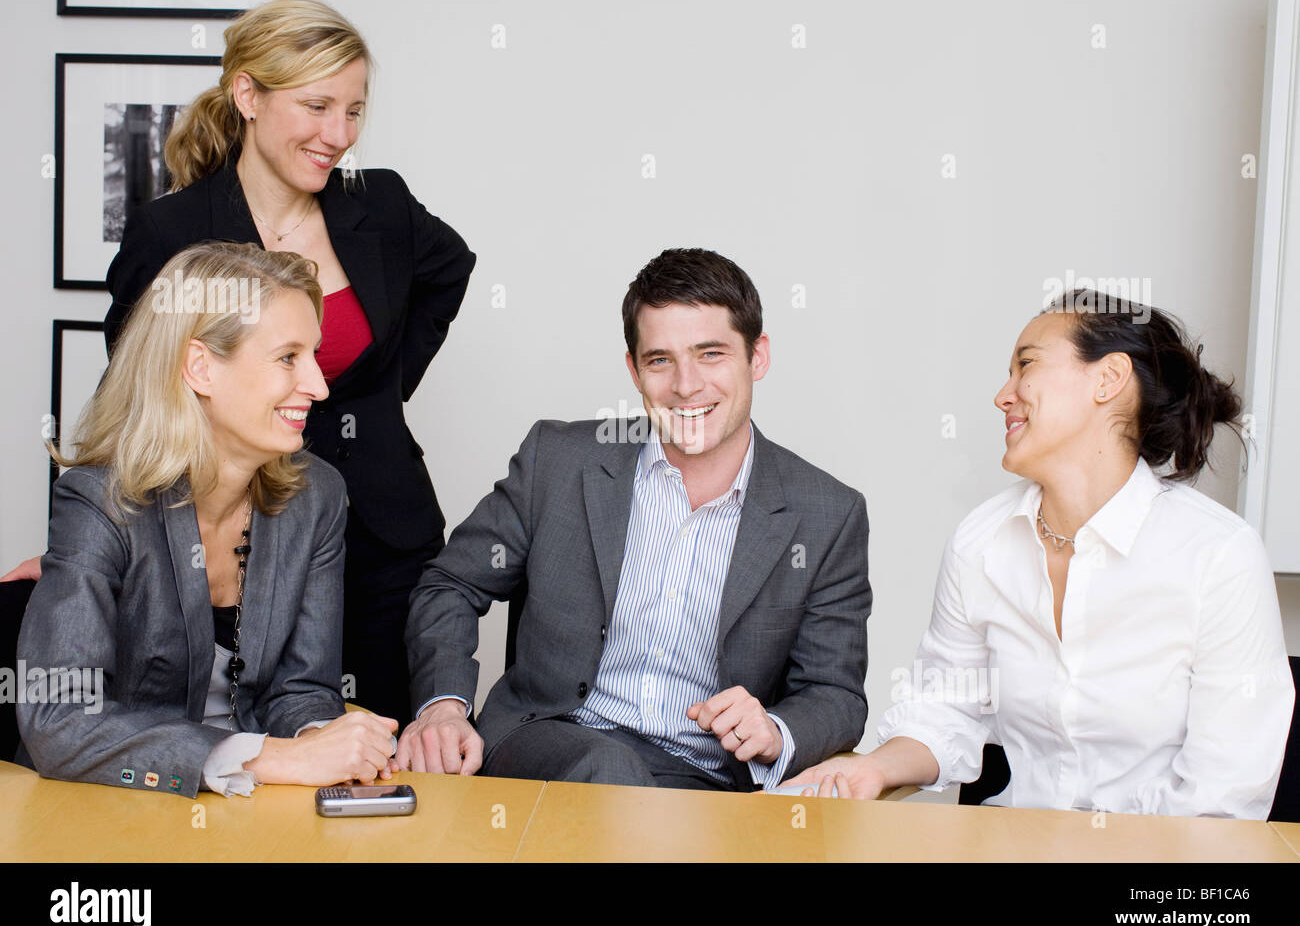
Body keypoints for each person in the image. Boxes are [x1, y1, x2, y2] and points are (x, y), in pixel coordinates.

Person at [96, 0, 476, 724]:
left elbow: (448, 270)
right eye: (317, 105)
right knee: (243, 748)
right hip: (230, 546)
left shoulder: (382, 203)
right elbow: (133, 393)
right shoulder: (170, 231)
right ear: (248, 95)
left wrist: (374, 390)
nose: (339, 135)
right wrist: (79, 557)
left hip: (380, 536)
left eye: (355, 110)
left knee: (377, 755)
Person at [783, 290, 1295, 818]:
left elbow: (1220, 800)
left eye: (1025, 365)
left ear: (1108, 379)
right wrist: (873, 768)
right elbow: (942, 712)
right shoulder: (980, 540)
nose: (1003, 396)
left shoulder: (1218, 555)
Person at [393, 248, 871, 791]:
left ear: (757, 357)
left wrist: (777, 730)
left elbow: (835, 694)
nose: (687, 386)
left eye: (710, 354)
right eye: (660, 360)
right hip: (551, 741)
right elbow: (450, 583)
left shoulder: (827, 514)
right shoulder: (560, 460)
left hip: (701, 778)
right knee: (611, 770)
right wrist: (443, 707)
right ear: (634, 371)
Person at [17, 242, 398, 796]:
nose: (319, 386)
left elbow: (304, 688)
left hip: (253, 813)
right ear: (201, 367)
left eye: (314, 355)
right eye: (289, 357)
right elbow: (59, 721)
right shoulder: (100, 502)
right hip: (115, 810)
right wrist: (263, 758)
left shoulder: (316, 496)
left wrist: (324, 740)